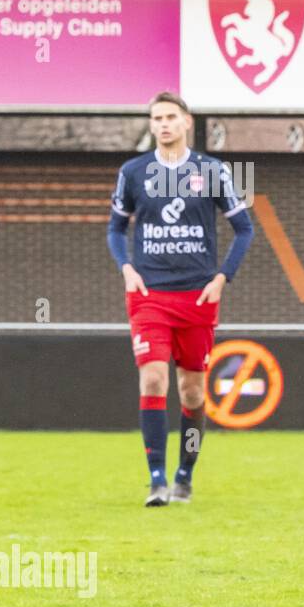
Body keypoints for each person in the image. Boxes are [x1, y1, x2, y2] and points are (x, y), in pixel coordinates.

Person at [106, 92, 254, 506]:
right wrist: (126, 268)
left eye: (171, 116)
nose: (164, 124)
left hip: (198, 296)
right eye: (157, 118)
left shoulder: (213, 170)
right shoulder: (133, 172)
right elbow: (116, 229)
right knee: (153, 378)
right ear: (151, 125)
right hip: (149, 294)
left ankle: (184, 474)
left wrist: (223, 277)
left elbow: (245, 229)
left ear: (187, 122)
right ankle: (156, 480)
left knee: (192, 393)